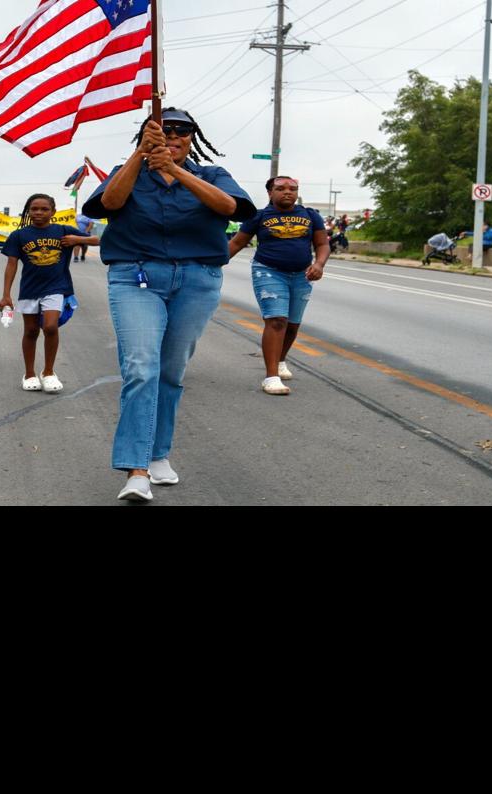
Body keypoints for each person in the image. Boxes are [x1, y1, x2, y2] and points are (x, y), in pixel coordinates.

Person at [82, 106, 256, 502]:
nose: (172, 135)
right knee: (142, 365)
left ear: (193, 137)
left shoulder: (210, 175)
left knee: (171, 372)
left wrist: (177, 170)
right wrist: (139, 156)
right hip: (136, 276)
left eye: (182, 131)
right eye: (163, 129)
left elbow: (229, 208)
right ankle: (137, 470)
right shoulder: (126, 171)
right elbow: (109, 202)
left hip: (196, 280)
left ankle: (158, 453)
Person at [228, 175, 329, 396]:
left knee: (292, 325)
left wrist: (319, 264)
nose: (287, 192)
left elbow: (322, 243)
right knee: (276, 321)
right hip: (268, 271)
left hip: (302, 275)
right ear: (270, 192)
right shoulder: (259, 216)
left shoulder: (310, 215)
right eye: (281, 188)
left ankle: (281, 360)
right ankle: (271, 377)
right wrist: (212, 264)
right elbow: (237, 242)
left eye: (293, 188)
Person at [0, 193, 98, 394]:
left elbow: (98, 240)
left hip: (56, 288)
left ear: (53, 212)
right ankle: (29, 374)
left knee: (51, 326)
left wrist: (77, 239)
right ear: (28, 211)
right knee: (31, 331)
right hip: (29, 289)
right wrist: (6, 294)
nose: (39, 212)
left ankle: (49, 372)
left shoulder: (63, 231)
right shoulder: (19, 235)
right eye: (34, 209)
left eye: (44, 209)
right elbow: (11, 265)